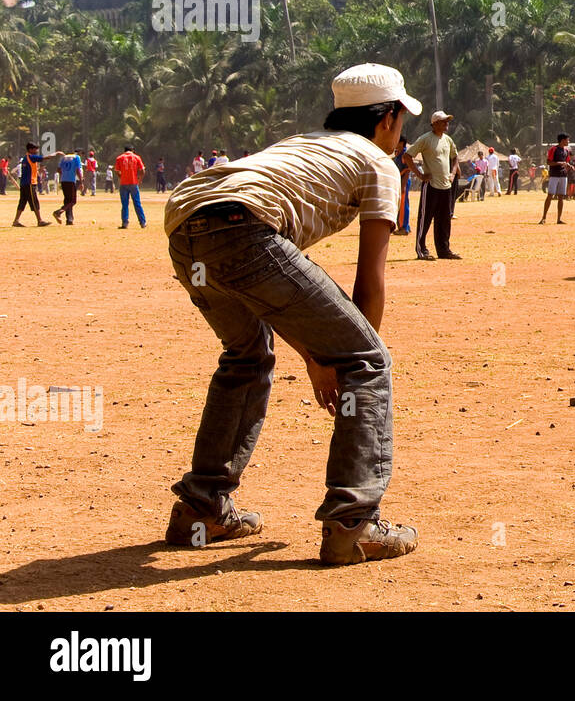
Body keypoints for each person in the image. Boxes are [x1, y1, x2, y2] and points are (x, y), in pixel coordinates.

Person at [163, 62, 419, 565]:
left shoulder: (305, 142)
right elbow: (371, 278)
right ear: (387, 118)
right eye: (401, 120)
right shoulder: (378, 161)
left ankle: (203, 508)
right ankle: (355, 523)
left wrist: (318, 352)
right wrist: (343, 355)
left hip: (186, 222)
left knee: (246, 355)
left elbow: (279, 291)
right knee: (368, 360)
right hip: (246, 226)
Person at [404, 110, 460, 260]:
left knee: (444, 220)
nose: (446, 124)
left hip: (446, 186)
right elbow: (407, 156)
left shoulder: (448, 140)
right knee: (426, 218)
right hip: (431, 186)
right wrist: (420, 175)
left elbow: (455, 157)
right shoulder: (425, 139)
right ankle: (421, 249)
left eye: (447, 121)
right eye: (443, 121)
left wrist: (453, 173)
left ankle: (444, 250)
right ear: (434, 124)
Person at [12, 143, 52, 227]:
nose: (36, 151)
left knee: (22, 202)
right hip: (29, 183)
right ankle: (40, 221)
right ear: (30, 149)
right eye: (35, 149)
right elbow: (45, 158)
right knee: (34, 202)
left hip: (24, 183)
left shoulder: (25, 158)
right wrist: (56, 153)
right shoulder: (31, 157)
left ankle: (16, 221)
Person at [539, 133, 571, 224]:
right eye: (567, 140)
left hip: (563, 175)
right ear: (562, 140)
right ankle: (544, 218)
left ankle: (559, 219)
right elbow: (549, 162)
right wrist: (560, 163)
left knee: (561, 197)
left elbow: (566, 162)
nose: (568, 142)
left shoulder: (566, 151)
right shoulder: (553, 149)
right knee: (550, 195)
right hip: (554, 175)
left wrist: (568, 166)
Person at [115, 143, 147, 228]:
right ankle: (142, 222)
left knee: (125, 204)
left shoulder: (119, 158)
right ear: (132, 150)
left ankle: (125, 223)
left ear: (124, 150)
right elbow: (143, 170)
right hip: (133, 183)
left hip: (123, 184)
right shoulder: (136, 157)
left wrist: (121, 177)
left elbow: (117, 171)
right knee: (137, 203)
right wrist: (139, 180)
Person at [53, 149, 84, 225]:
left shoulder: (64, 157)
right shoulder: (77, 157)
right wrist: (81, 181)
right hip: (71, 181)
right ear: (79, 153)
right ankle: (59, 212)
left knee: (67, 200)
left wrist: (64, 174)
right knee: (73, 201)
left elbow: (58, 169)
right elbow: (78, 170)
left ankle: (69, 220)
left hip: (64, 180)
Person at [393, 136, 412, 235]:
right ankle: (405, 225)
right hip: (399, 180)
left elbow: (408, 170)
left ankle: (403, 228)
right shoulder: (397, 153)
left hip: (404, 180)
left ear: (401, 143)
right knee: (401, 203)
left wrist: (403, 185)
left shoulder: (404, 154)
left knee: (403, 204)